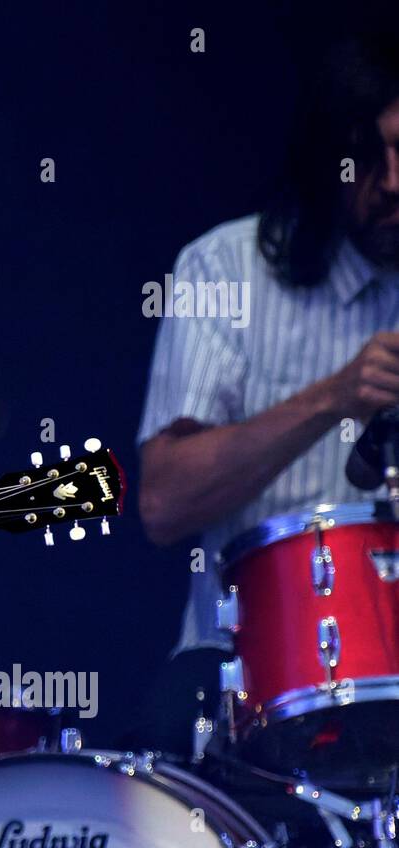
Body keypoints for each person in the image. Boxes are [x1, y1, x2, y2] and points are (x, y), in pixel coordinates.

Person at [134, 29, 399, 756]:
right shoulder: (225, 267)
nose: (395, 182)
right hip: (244, 680)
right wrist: (333, 397)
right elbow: (160, 504)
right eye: (375, 155)